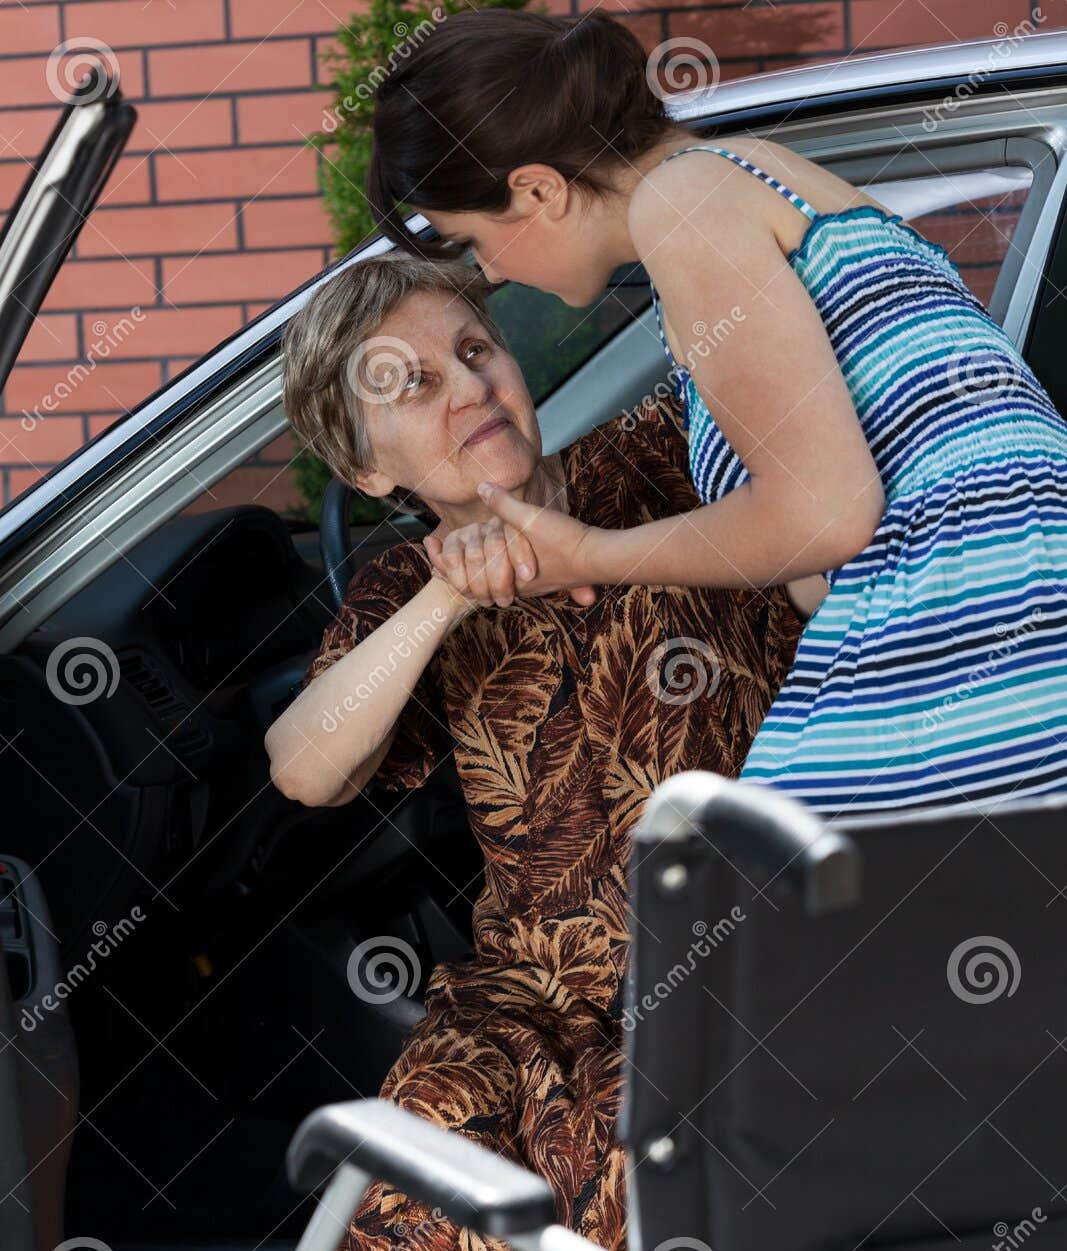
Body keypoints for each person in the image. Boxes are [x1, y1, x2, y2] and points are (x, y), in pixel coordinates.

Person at [268, 250, 803, 1251]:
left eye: (475, 350)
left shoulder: (660, 453)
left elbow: (814, 492)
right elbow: (306, 767)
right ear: (365, 467)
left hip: (743, 970)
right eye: (408, 383)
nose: (467, 387)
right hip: (522, 998)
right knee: (388, 1236)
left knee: (610, 1236)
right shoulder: (396, 588)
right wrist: (450, 593)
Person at [368, 10, 1067, 815]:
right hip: (998, 600)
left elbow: (822, 516)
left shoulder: (683, 204)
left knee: (766, 909)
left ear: (537, 189)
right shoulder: (744, 173)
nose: (487, 270)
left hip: (978, 618)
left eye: (471, 239)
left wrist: (588, 554)